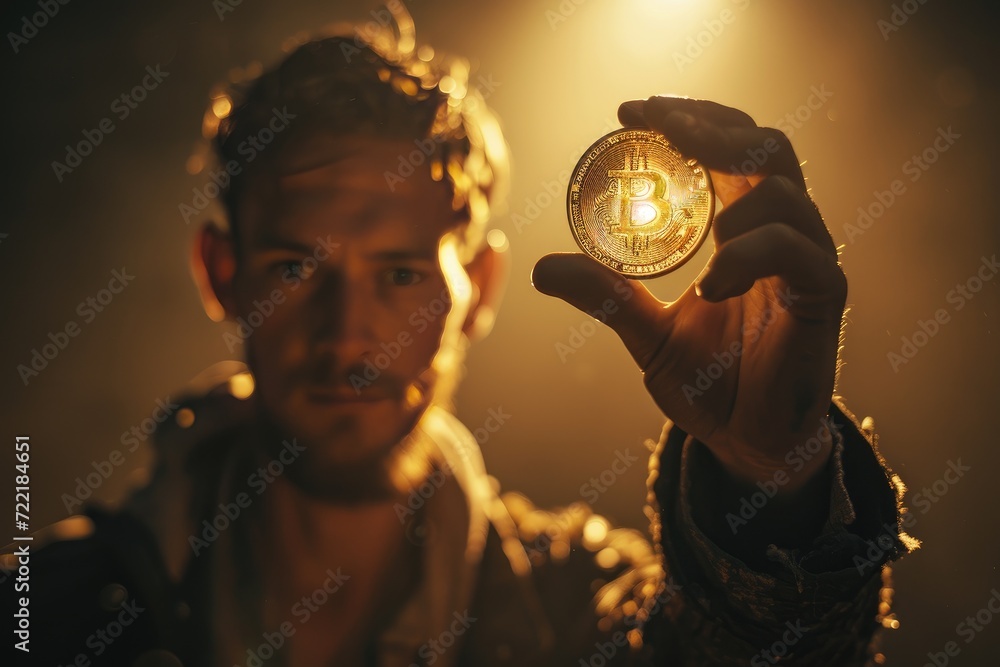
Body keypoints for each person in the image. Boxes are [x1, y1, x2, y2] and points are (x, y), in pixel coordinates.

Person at [3, 5, 915, 666]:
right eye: (293, 269)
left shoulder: (575, 611)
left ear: (477, 288)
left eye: (400, 273)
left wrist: (771, 486)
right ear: (219, 270)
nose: (346, 333)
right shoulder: (43, 613)